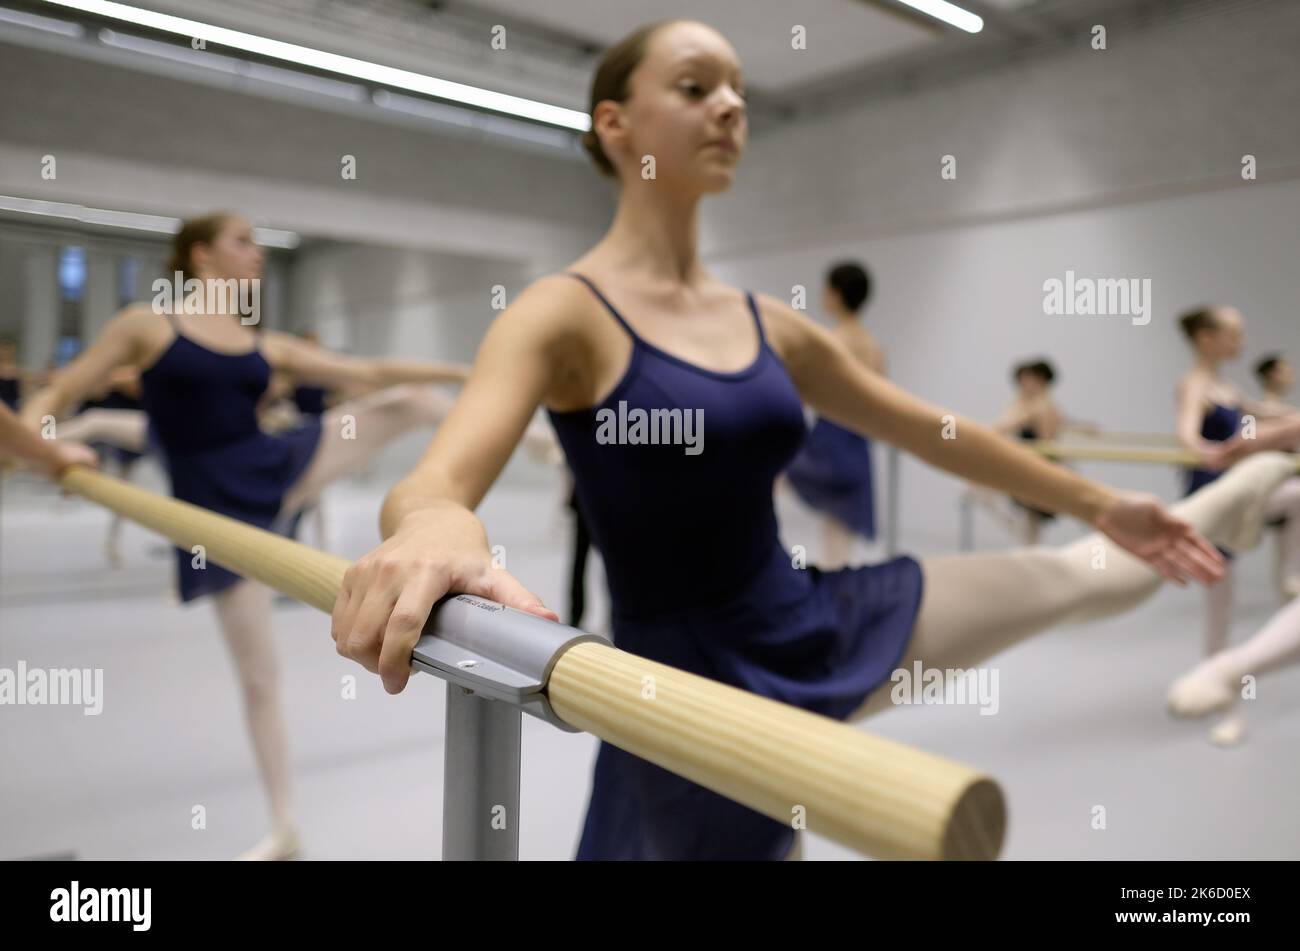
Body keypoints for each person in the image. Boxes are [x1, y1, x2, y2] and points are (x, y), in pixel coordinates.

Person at [329, 20, 1295, 860]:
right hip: (686, 681)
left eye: (740, 92)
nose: (731, 108)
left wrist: (1096, 500)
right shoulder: (561, 312)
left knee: (1093, 573)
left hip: (808, 610)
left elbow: (930, 428)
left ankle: (1228, 497)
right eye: (697, 87)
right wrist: (434, 527)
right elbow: (436, 478)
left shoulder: (771, 325)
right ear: (615, 125)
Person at [22, 212, 473, 859]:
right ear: (201, 255)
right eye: (242, 241)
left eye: (259, 243)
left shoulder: (260, 342)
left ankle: (545, 448)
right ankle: (286, 825)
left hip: (273, 469)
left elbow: (364, 369)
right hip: (215, 516)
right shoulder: (148, 326)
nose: (256, 254)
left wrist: (460, 372)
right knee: (261, 677)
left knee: (403, 403)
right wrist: (45, 444)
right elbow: (59, 392)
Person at [1175, 307, 1300, 745]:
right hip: (1214, 505)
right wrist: (1206, 450)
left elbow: (1263, 414)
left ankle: (1287, 574)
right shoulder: (1195, 384)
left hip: (1240, 497)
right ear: (1207, 338)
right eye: (1234, 333)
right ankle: (1227, 708)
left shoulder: (1226, 387)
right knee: (1219, 613)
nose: (1241, 341)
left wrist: (1284, 423)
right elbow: (1186, 433)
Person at [784, 262, 881, 568]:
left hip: (830, 443)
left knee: (769, 476)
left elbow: (808, 389)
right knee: (839, 535)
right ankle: (837, 595)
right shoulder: (873, 347)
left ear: (836, 295)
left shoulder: (831, 341)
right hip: (856, 444)